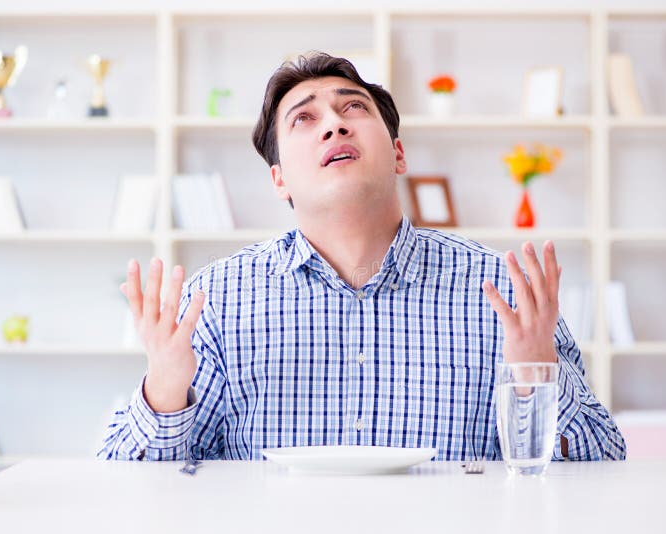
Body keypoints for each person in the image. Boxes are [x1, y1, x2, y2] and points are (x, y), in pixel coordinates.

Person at [97, 52, 626, 462]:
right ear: (279, 180)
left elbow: (603, 462)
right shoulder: (215, 302)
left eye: (353, 107)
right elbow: (126, 479)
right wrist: (164, 391)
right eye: (304, 119)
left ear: (398, 154)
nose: (334, 124)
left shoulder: (503, 292)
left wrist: (537, 377)